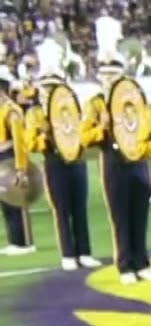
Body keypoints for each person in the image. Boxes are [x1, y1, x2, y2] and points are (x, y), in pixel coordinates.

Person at [81, 15, 151, 284]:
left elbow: (148, 125)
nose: (108, 79)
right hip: (113, 161)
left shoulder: (136, 98)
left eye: (113, 74)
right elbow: (84, 138)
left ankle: (142, 262)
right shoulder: (95, 103)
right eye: (104, 74)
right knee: (120, 216)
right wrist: (101, 128)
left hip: (137, 160)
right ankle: (125, 265)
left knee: (139, 213)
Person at [25, 38, 98, 270]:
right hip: (54, 161)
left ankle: (84, 251)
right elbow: (29, 143)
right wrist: (44, 136)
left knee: (79, 207)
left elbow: (83, 131)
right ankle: (68, 253)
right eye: (46, 87)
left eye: (54, 86)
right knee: (61, 208)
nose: (49, 91)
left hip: (75, 159)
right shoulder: (35, 113)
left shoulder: (73, 107)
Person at [0, 66, 33, 257]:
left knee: (15, 199)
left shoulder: (11, 110)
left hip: (10, 156)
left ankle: (24, 242)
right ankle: (15, 240)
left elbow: (19, 141)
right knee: (6, 199)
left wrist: (21, 168)